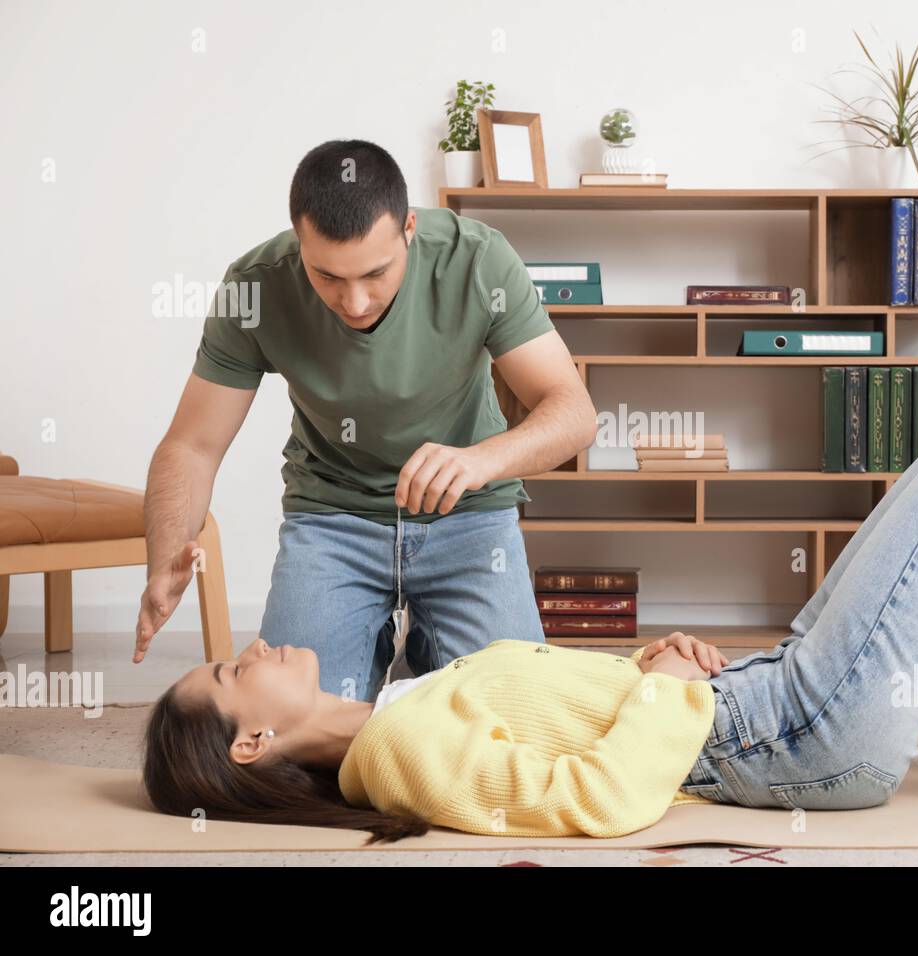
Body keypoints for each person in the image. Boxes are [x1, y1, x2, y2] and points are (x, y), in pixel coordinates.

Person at [141, 425, 918, 842]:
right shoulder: (396, 757)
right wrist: (665, 694)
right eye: (232, 672)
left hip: (760, 695)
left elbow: (562, 725)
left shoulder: (399, 713)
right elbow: (594, 801)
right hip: (786, 736)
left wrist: (647, 664)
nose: (251, 648)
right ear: (250, 745)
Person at [133, 140, 596, 702]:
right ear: (297, 241)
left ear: (408, 228)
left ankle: (427, 662)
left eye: (375, 274)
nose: (353, 302)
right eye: (327, 276)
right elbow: (192, 446)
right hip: (334, 521)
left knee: (515, 718)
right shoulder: (254, 287)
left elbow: (573, 412)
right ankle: (408, 665)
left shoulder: (477, 259)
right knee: (290, 729)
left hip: (469, 518)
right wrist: (163, 558)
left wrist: (481, 459)